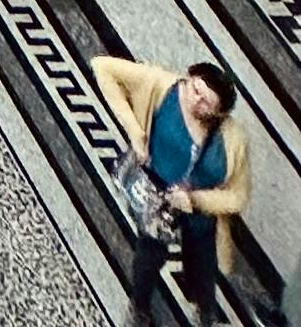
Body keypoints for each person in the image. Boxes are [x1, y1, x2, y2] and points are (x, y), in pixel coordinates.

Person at [94, 52, 250, 325]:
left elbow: (238, 196)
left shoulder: (234, 140)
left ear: (219, 113)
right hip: (158, 199)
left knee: (202, 271)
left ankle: (204, 309)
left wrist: (195, 200)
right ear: (188, 78)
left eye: (206, 103)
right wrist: (134, 131)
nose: (195, 101)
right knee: (149, 256)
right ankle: (139, 308)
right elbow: (102, 67)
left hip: (198, 213)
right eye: (195, 89)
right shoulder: (162, 86)